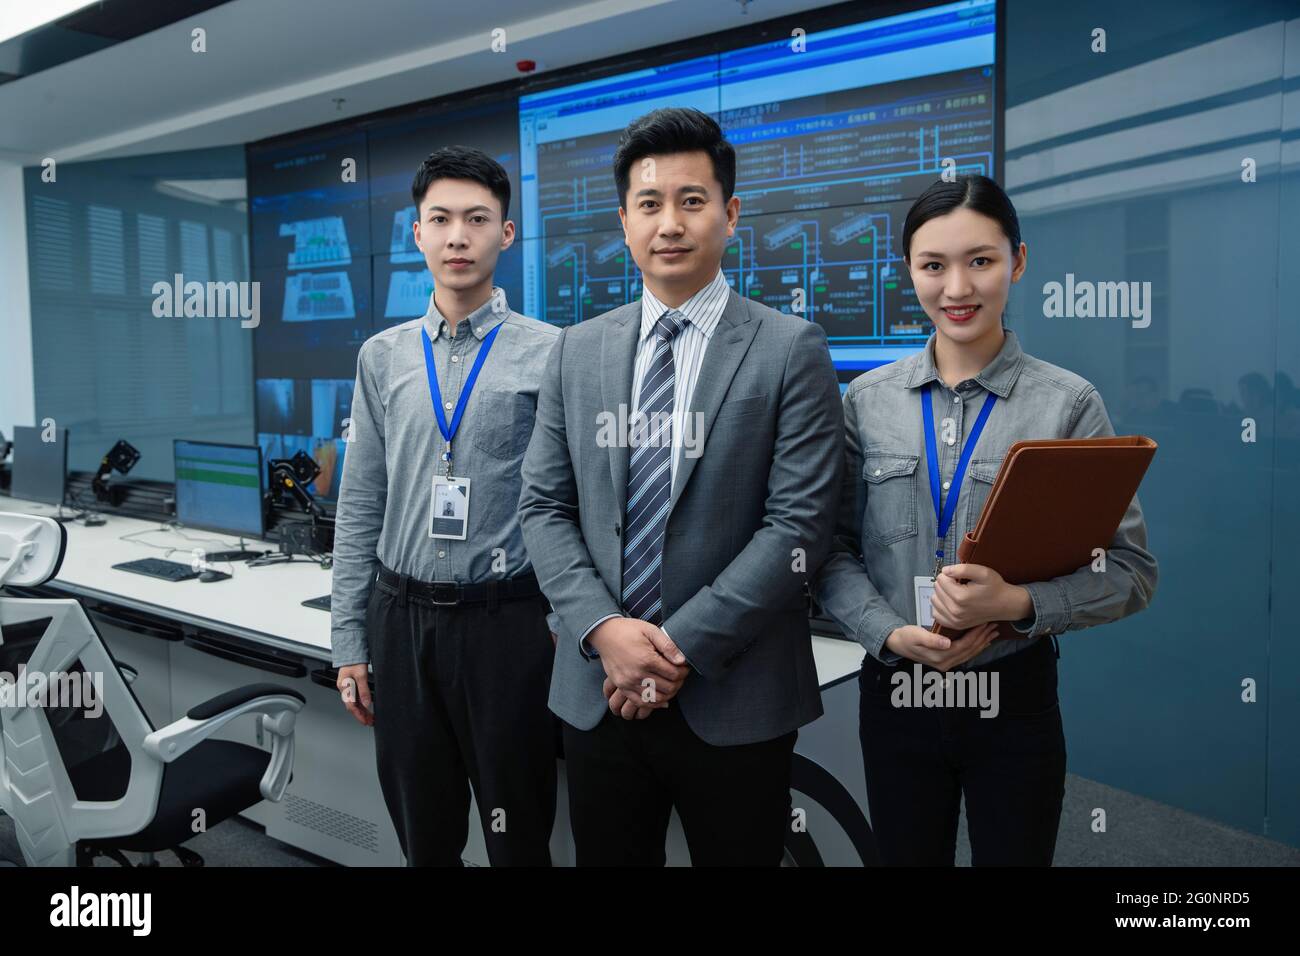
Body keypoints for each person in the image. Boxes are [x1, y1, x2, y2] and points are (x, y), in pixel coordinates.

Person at [518, 107, 843, 867]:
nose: (670, 223)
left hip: (736, 695)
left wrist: (672, 651)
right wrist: (605, 630)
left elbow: (798, 526)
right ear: (624, 222)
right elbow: (543, 506)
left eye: (692, 202)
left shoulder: (790, 348)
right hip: (599, 692)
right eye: (650, 204)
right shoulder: (576, 351)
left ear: (730, 215)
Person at [814, 174, 1158, 866]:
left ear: (1018, 262)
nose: (957, 288)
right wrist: (887, 633)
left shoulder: (1068, 405)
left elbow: (1130, 571)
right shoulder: (867, 401)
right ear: (908, 270)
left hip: (1014, 697)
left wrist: (1021, 602)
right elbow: (828, 554)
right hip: (897, 688)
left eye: (981, 261)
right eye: (933, 265)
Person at [331, 145, 560, 866]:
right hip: (399, 624)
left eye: (476, 218)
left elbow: (572, 505)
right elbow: (361, 500)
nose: (458, 235)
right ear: (417, 232)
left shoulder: (555, 353)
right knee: (424, 839)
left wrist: (560, 620)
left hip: (507, 626)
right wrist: (349, 642)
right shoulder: (382, 356)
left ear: (506, 234)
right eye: (441, 219)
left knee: (517, 836)